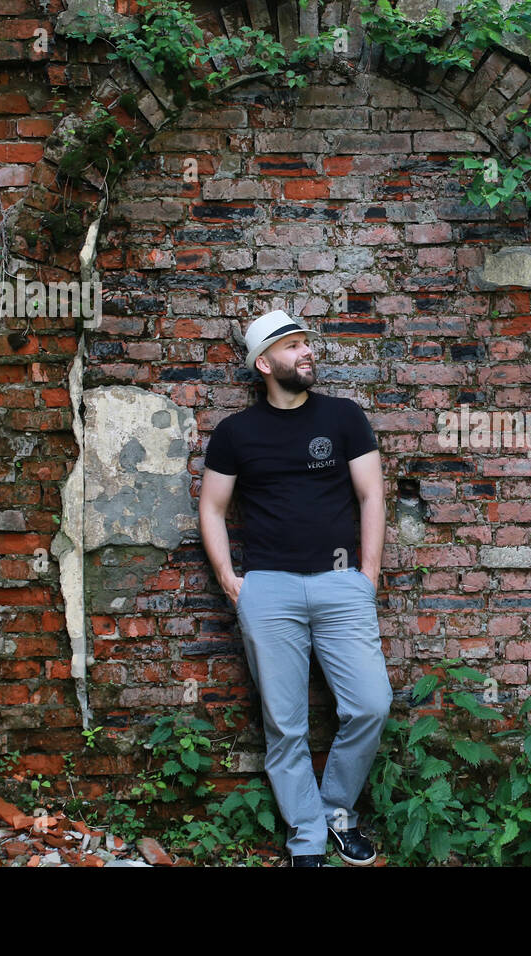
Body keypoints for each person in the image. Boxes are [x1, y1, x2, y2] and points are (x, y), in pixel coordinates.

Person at [198, 309, 392, 867]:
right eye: (293, 346)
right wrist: (232, 583)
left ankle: (335, 811)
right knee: (284, 724)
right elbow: (211, 508)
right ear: (264, 364)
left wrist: (367, 577)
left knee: (371, 705)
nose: (307, 352)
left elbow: (371, 497)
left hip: (341, 586)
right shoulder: (236, 433)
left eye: (307, 343)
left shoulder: (344, 417)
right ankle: (305, 836)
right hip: (269, 591)